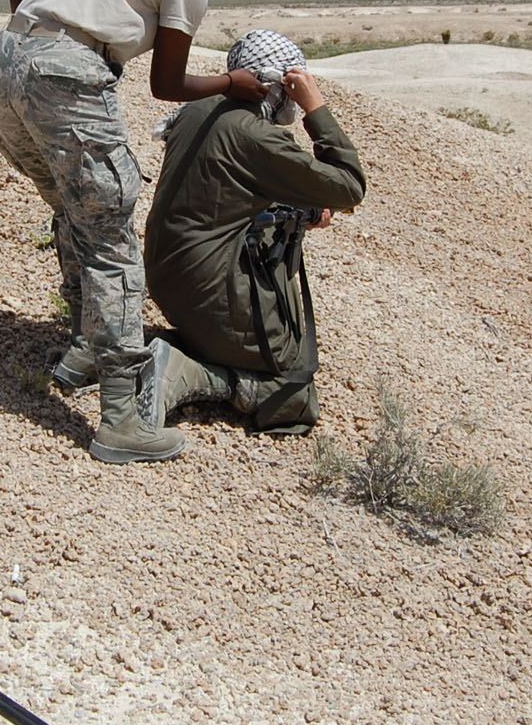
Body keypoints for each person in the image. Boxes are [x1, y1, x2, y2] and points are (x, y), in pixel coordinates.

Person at [0, 0, 264, 465]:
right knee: (111, 239)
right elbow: (168, 83)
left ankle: (83, 349)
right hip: (68, 79)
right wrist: (231, 83)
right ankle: (122, 420)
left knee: (74, 210)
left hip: (3, 65)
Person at [142, 30, 366, 436]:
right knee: (293, 384)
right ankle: (196, 373)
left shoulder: (199, 111)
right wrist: (315, 107)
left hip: (170, 279)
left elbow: (224, 192)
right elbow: (350, 186)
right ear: (279, 85)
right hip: (208, 290)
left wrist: (298, 208)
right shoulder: (255, 134)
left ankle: (196, 347)